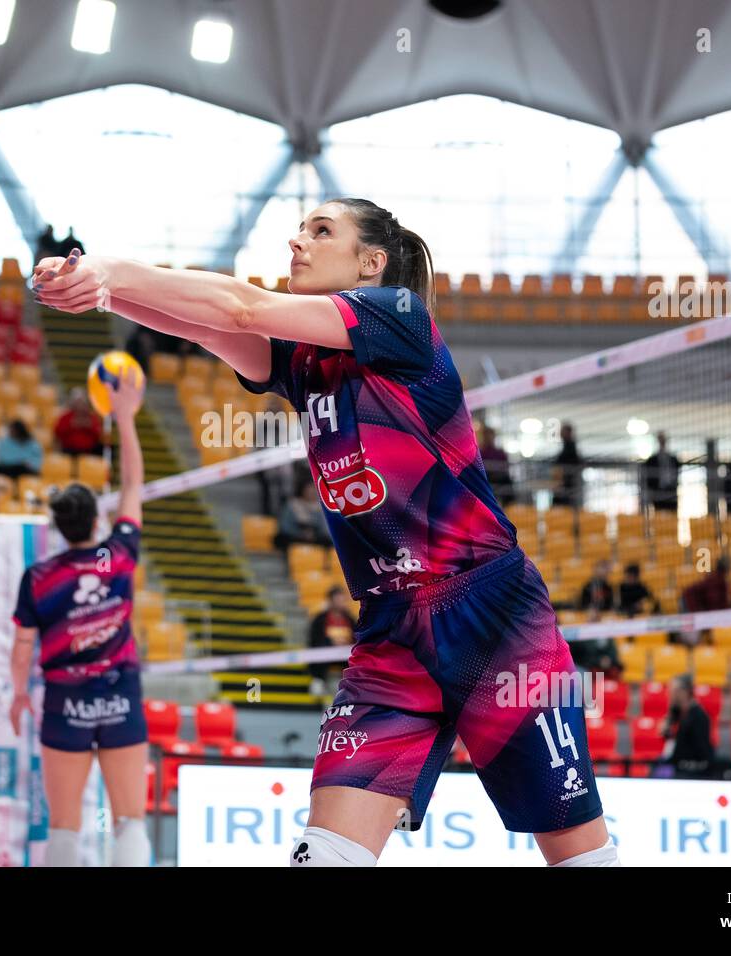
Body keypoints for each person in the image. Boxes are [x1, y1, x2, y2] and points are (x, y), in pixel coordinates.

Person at [32, 198, 616, 867]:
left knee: (577, 856)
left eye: (320, 231)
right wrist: (102, 293)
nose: (297, 241)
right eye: (300, 229)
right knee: (325, 853)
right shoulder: (304, 361)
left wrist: (110, 268)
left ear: (371, 263)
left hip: (492, 616)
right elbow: (209, 328)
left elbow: (240, 307)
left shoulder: (400, 316)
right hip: (392, 632)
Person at [8, 367, 150, 867]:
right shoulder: (121, 553)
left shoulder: (39, 577)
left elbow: (23, 646)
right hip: (119, 697)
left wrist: (20, 692)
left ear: (60, 527)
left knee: (63, 825)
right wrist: (125, 418)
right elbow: (134, 482)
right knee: (130, 819)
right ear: (96, 520)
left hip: (65, 704)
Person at [660, 675, 715, 779]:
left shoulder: (698, 716)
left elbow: (701, 749)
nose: (670, 694)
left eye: (674, 690)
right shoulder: (678, 714)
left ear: (684, 692)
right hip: (679, 768)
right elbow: (667, 737)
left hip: (693, 773)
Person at [307, 587, 356, 695]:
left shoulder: (350, 619)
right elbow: (315, 639)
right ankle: (318, 680)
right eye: (338, 599)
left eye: (343, 600)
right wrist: (331, 642)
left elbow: (356, 638)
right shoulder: (320, 619)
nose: (341, 602)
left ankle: (351, 684)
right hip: (325, 654)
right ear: (331, 601)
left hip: (344, 656)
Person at [275, 479, 333, 551]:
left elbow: (324, 529)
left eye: (314, 489)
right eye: (309, 489)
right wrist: (301, 534)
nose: (312, 492)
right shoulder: (292, 504)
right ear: (302, 489)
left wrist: (312, 534)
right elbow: (284, 526)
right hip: (294, 537)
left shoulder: (321, 507)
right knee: (281, 539)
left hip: (314, 539)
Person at [53, 388, 104, 457]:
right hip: (69, 451)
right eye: (78, 402)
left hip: (89, 451)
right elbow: (58, 432)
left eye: (82, 402)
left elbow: (99, 434)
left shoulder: (92, 418)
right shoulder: (66, 417)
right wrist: (72, 425)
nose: (80, 405)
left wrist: (88, 426)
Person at [640, 431, 680, 513]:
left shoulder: (673, 459)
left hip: (671, 493)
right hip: (658, 493)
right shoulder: (651, 460)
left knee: (672, 516)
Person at [478, 424, 513, 505]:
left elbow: (505, 465)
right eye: (487, 435)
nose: (489, 437)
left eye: (491, 435)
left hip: (499, 477)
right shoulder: (479, 452)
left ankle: (508, 504)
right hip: (486, 477)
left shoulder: (500, 452)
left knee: (508, 482)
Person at [553, 422, 582, 509]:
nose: (561, 433)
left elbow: (570, 460)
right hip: (565, 480)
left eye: (563, 431)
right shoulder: (566, 445)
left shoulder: (571, 446)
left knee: (566, 500)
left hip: (568, 480)